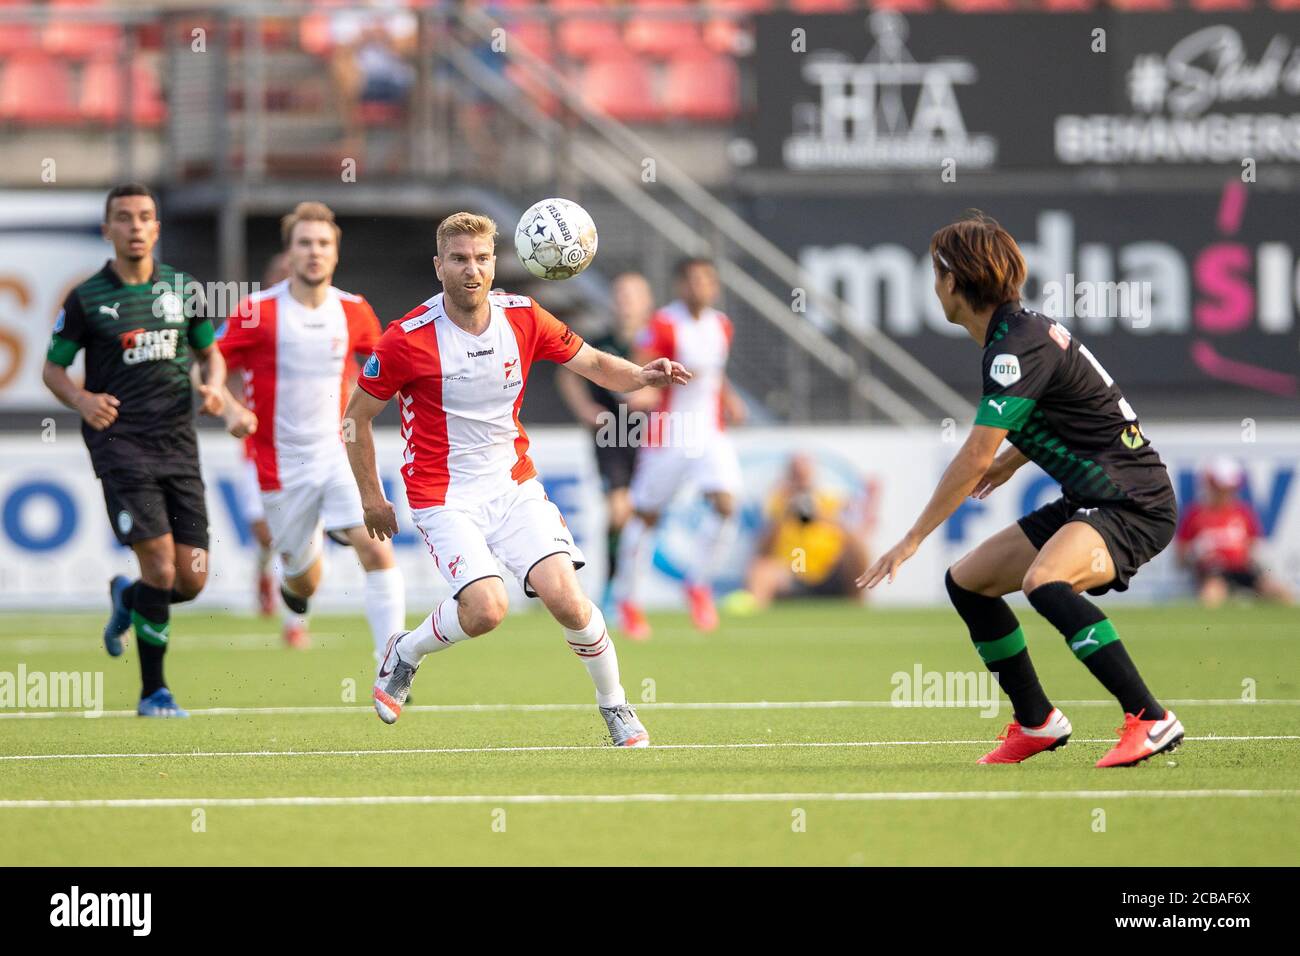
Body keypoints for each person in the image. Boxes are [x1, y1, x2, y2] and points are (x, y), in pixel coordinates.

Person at [344, 212, 690, 746]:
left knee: (569, 600)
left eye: (482, 259)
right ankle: (405, 651)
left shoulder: (524, 316)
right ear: (439, 267)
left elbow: (596, 364)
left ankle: (615, 706)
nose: (472, 270)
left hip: (512, 486)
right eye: (459, 259)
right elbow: (355, 418)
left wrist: (641, 375)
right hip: (442, 495)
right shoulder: (405, 339)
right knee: (487, 608)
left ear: (495, 263)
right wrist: (371, 496)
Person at [859, 210, 1184, 768]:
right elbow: (1066, 415)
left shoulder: (1016, 345)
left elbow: (973, 454)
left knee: (1045, 582)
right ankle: (1037, 721)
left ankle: (1150, 717)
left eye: (935, 273)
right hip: (1092, 498)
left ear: (954, 280)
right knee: (969, 583)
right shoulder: (1017, 334)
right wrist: (1014, 460)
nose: (933, 285)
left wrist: (912, 537)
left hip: (1132, 501)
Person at [41, 183, 226, 718]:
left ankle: (128, 597)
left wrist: (213, 386)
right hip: (120, 444)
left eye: (145, 216)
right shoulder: (87, 297)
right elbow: (53, 368)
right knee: (162, 567)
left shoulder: (184, 289)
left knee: (191, 579)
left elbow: (208, 354)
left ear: (157, 228)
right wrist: (81, 398)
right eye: (124, 218)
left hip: (179, 444)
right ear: (108, 230)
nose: (136, 226)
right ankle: (153, 693)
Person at [217, 202, 406, 662]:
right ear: (290, 252)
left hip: (340, 456)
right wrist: (228, 408)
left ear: (335, 253)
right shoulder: (256, 312)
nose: (314, 252)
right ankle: (288, 579)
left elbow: (386, 368)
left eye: (323, 243)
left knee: (378, 551)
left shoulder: (355, 310)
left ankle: (393, 663)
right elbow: (211, 362)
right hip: (281, 469)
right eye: (305, 243)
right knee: (305, 581)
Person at [614, 257, 746, 639]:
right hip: (669, 433)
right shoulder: (664, 324)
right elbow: (641, 370)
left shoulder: (722, 324)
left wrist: (730, 399)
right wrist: (640, 395)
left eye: (708, 279)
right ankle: (628, 600)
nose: (702, 286)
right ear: (680, 286)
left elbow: (714, 374)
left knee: (726, 503)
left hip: (709, 432)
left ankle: (697, 584)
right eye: (694, 280)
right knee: (646, 517)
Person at [555, 272, 656, 610]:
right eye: (621, 294)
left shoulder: (658, 342)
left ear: (648, 303)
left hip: (651, 441)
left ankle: (631, 590)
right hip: (611, 438)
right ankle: (613, 589)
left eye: (633, 295)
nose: (626, 302)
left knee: (642, 517)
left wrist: (653, 398)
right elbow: (567, 372)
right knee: (618, 512)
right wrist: (585, 408)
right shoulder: (602, 342)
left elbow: (676, 385)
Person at [741, 453, 872, 610]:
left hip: (829, 571)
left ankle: (859, 607)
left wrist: (821, 516)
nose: (800, 482)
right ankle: (755, 609)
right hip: (792, 574)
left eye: (803, 476)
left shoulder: (830, 499)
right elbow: (762, 548)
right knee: (763, 569)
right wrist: (784, 515)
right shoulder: (777, 502)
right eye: (796, 476)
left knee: (859, 551)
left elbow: (854, 537)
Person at [1178, 457, 1293, 607]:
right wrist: (1196, 553)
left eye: (1230, 488)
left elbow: (1253, 548)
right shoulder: (1195, 515)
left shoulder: (1243, 513)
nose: (1226, 493)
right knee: (1212, 594)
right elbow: (1181, 558)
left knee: (1281, 593)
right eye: (1221, 487)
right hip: (1213, 572)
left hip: (1243, 569)